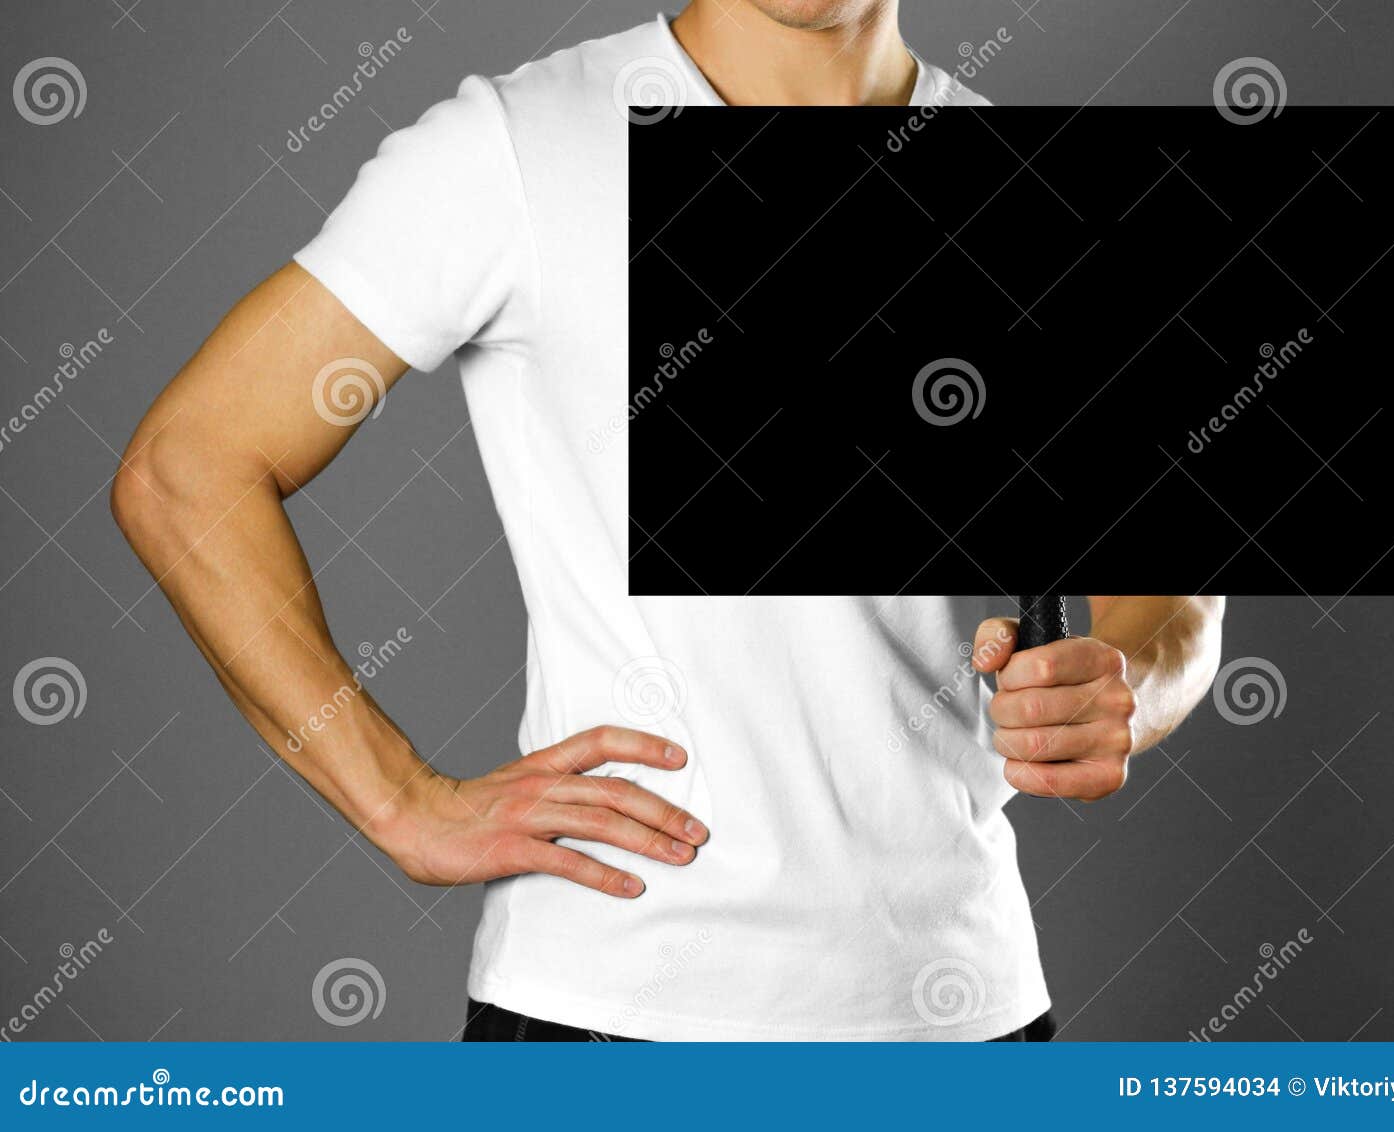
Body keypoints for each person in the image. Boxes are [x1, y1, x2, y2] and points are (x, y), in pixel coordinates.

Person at [111, 0, 1223, 1042]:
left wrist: (1124, 684)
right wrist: (399, 798)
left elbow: (1169, 598)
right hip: (604, 1011)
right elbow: (187, 468)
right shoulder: (516, 145)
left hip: (958, 1013)